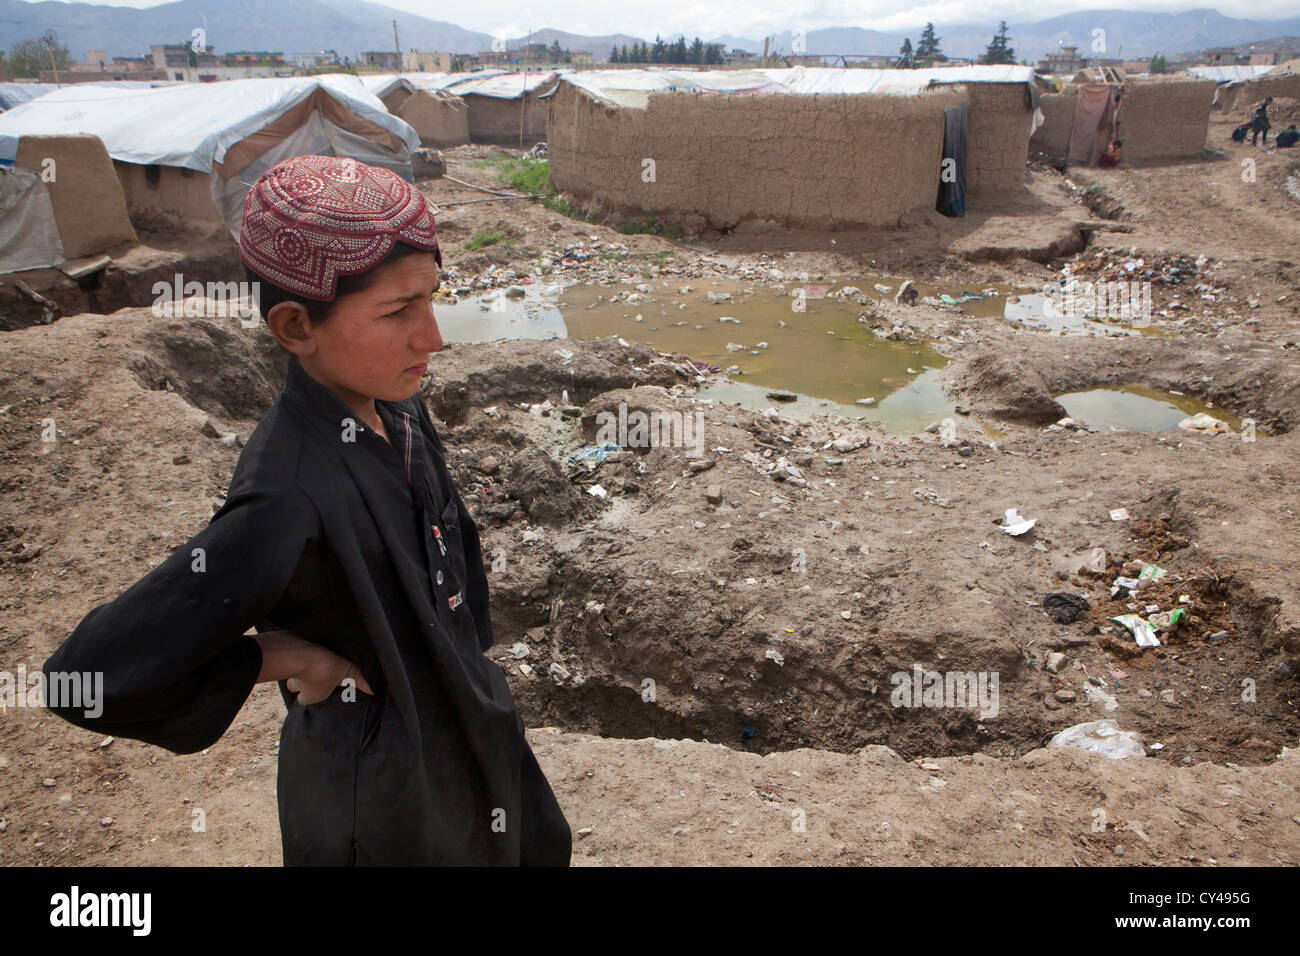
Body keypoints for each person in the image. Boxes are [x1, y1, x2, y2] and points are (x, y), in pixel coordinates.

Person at [42, 154, 573, 866]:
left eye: (432, 299)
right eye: (398, 311)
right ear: (295, 327)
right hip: (381, 789)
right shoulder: (287, 492)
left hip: (464, 726)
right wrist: (275, 654)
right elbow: (87, 677)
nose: (434, 336)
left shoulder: (399, 407)